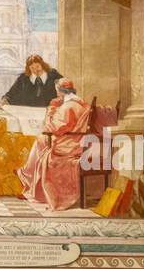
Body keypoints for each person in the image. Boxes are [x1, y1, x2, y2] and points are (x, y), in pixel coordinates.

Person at [16, 78, 91, 211]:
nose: (57, 94)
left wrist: (51, 110)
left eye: (57, 91)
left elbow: (52, 128)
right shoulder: (80, 104)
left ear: (61, 92)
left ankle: (28, 177)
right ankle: (29, 178)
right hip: (77, 141)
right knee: (41, 141)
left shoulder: (67, 107)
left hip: (69, 145)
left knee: (40, 139)